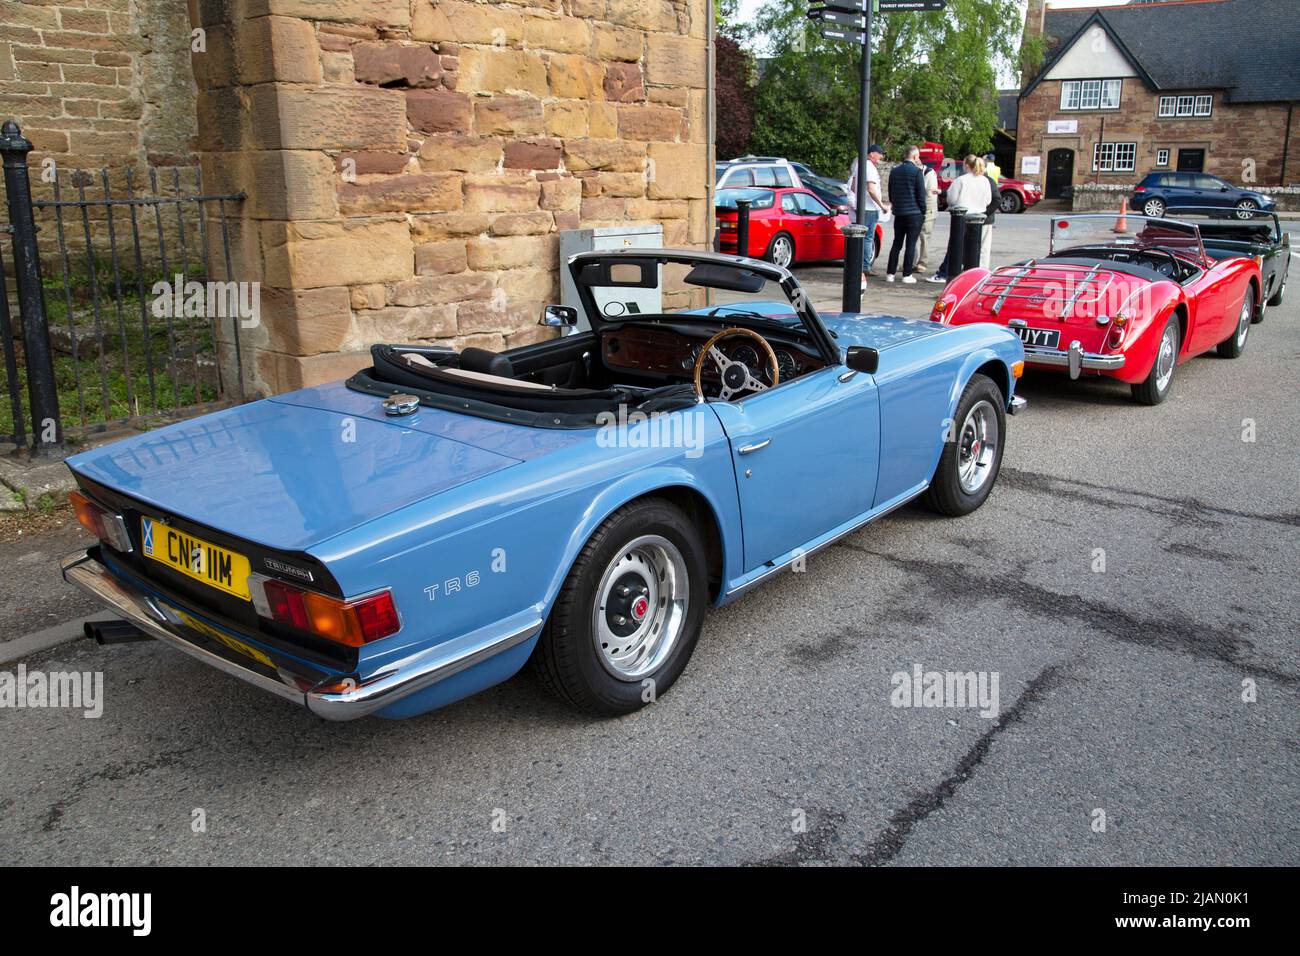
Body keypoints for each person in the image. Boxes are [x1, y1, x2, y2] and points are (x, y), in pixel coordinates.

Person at [927, 155, 992, 284]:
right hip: (978, 219)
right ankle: (970, 278)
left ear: (967, 165)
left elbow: (952, 198)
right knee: (973, 251)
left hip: (961, 218)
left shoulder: (961, 180)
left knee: (956, 247)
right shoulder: (985, 181)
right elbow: (988, 200)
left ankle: (947, 275)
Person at [848, 144, 888, 290]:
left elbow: (853, 187)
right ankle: (865, 266)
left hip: (863, 207)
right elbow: (871, 189)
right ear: (872, 154)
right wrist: (882, 205)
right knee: (868, 238)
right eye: (880, 154)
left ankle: (860, 265)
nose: (881, 157)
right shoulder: (869, 167)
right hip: (869, 208)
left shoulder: (860, 166)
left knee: (863, 237)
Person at [885, 146, 927, 284]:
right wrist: (923, 211)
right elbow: (921, 195)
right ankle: (907, 274)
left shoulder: (894, 171)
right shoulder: (917, 172)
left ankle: (890, 273)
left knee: (897, 243)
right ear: (914, 156)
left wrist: (896, 206)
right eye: (918, 156)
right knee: (910, 244)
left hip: (899, 213)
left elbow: (891, 192)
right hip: (914, 213)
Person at [915, 161, 940, 276]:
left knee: (925, 236)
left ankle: (922, 263)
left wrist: (924, 209)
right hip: (916, 208)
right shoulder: (916, 172)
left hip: (928, 209)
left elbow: (930, 194)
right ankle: (911, 262)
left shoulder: (929, 174)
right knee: (913, 237)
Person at [981, 165, 999, 270]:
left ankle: (983, 269)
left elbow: (997, 199)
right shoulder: (981, 180)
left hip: (985, 220)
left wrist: (985, 213)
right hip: (978, 218)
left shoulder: (988, 181)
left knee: (984, 247)